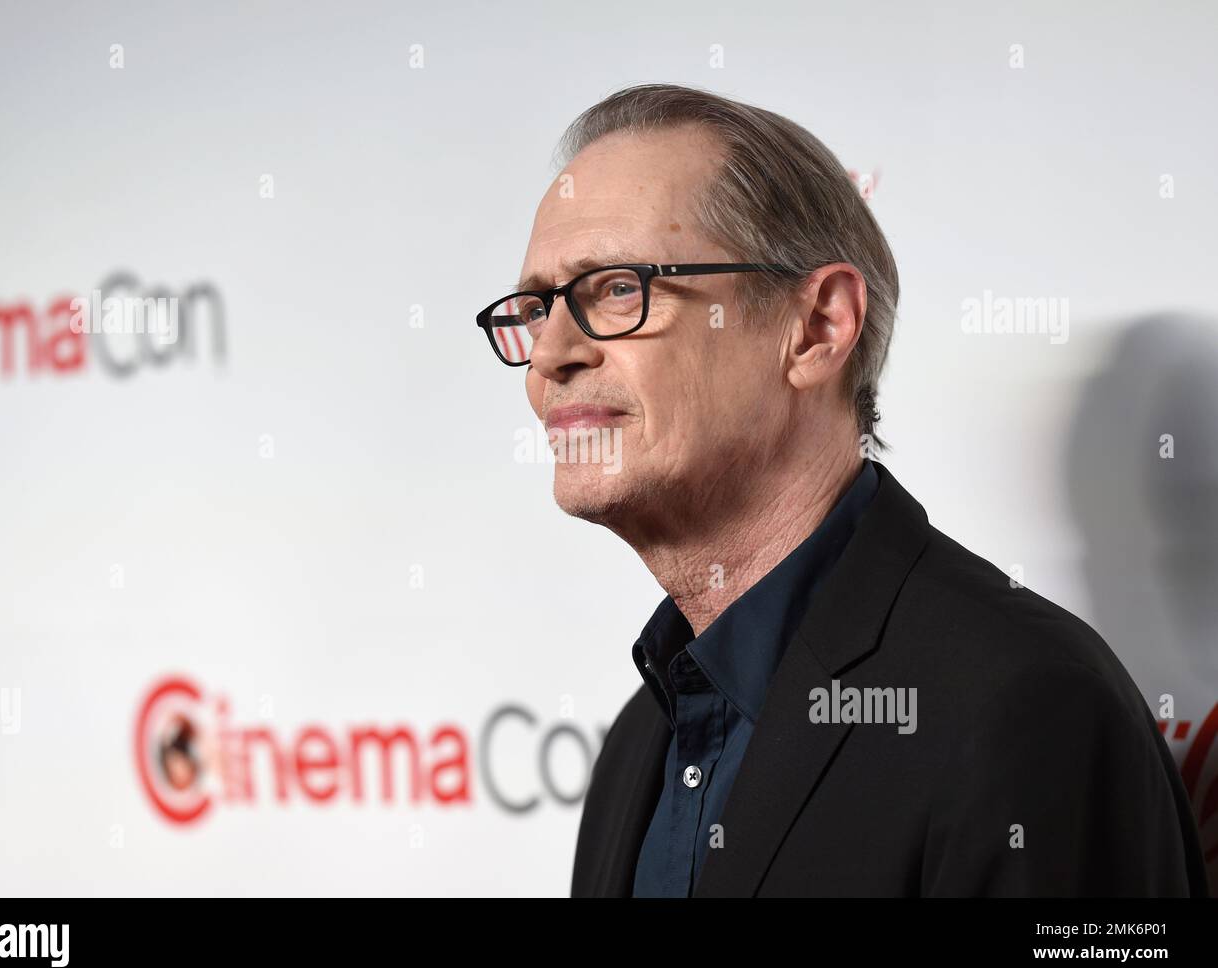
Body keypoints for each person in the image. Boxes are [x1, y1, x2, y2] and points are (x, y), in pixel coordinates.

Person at [474, 83, 1209, 897]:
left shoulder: (1025, 705)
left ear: (819, 326)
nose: (550, 356)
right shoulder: (638, 744)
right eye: (538, 309)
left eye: (614, 287)